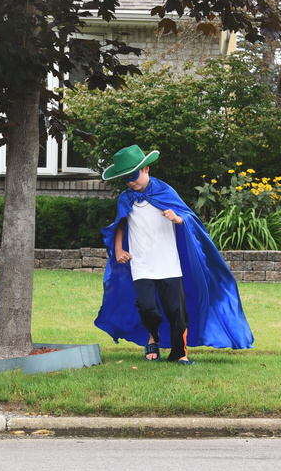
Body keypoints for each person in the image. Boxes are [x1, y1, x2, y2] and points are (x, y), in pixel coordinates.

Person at [95, 145, 254, 364]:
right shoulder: (125, 198)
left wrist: (178, 219)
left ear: (146, 169)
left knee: (176, 310)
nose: (131, 181)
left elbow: (189, 217)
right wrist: (120, 248)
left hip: (169, 262)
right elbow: (120, 225)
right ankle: (154, 336)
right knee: (147, 307)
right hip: (141, 263)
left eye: (133, 175)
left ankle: (179, 352)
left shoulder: (165, 191)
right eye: (125, 179)